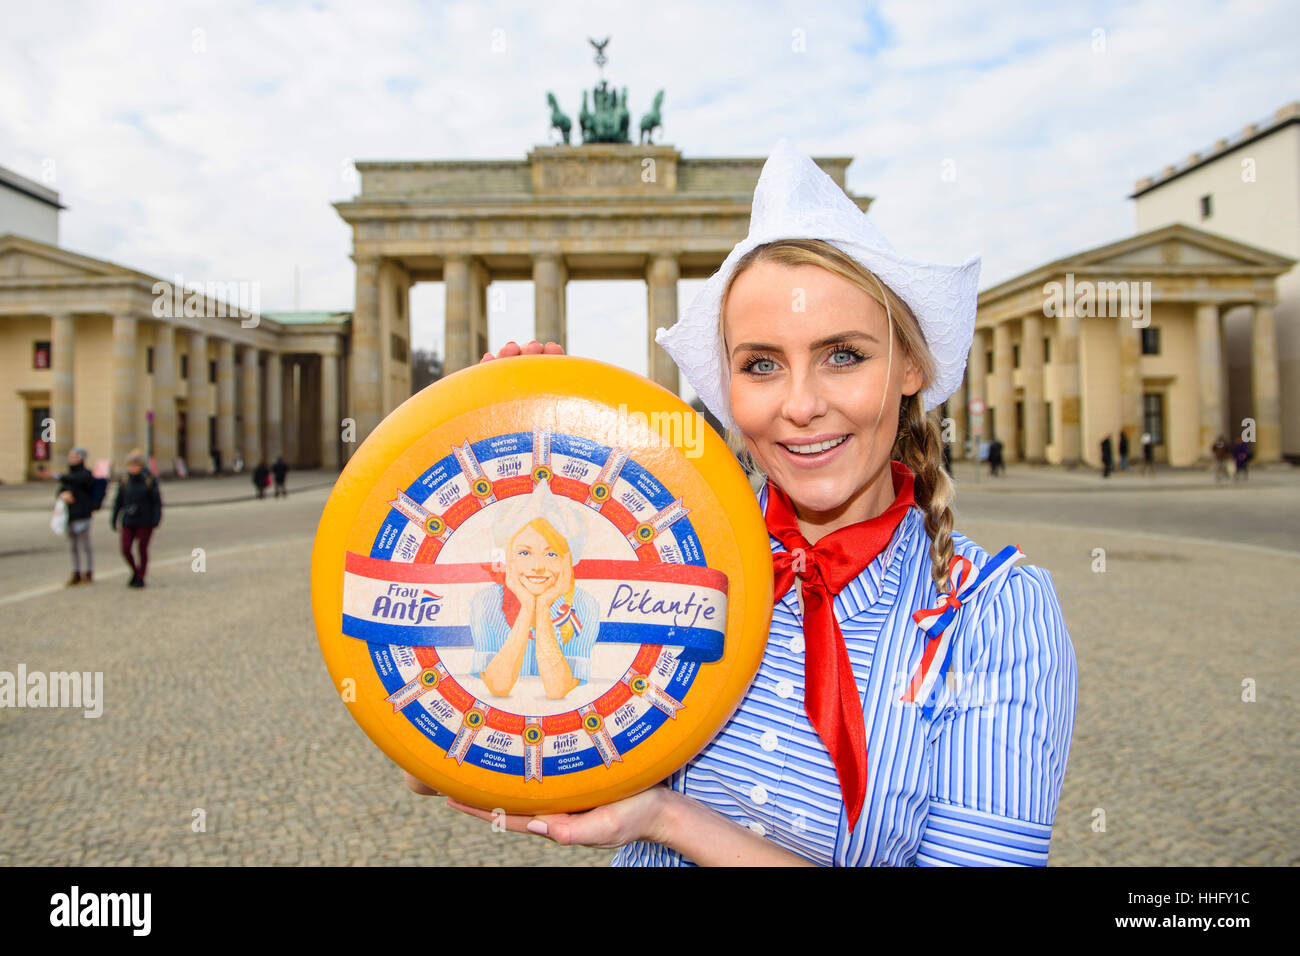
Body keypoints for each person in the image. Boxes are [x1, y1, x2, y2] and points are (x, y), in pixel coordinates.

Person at [407, 140, 1078, 866]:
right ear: (728, 388)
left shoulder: (994, 614)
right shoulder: (661, 562)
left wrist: (668, 817)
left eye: (843, 355)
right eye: (761, 364)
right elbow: (434, 758)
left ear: (911, 366)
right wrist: (490, 499)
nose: (800, 405)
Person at [470, 488, 601, 700]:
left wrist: (542, 607)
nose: (538, 566)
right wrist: (527, 606)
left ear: (567, 562)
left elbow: (557, 690)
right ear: (508, 560)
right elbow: (499, 687)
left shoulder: (585, 604)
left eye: (551, 554)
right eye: (524, 553)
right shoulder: (486, 601)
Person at [111, 449, 163, 587]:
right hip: (128, 519)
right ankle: (135, 570)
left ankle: (141, 576)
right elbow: (118, 500)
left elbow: (156, 501)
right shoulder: (124, 480)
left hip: (145, 520)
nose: (132, 468)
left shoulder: (149, 480)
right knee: (126, 548)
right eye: (130, 465)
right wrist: (114, 517)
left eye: (135, 465)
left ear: (141, 466)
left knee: (142, 548)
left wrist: (156, 518)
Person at [56, 446, 96, 586]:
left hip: (83, 513)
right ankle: (76, 572)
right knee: (73, 545)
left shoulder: (85, 474)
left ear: (81, 458)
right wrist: (63, 494)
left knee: (85, 544)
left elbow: (80, 482)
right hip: (69, 514)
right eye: (70, 456)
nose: (70, 459)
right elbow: (61, 490)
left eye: (73, 456)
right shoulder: (69, 476)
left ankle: (89, 571)